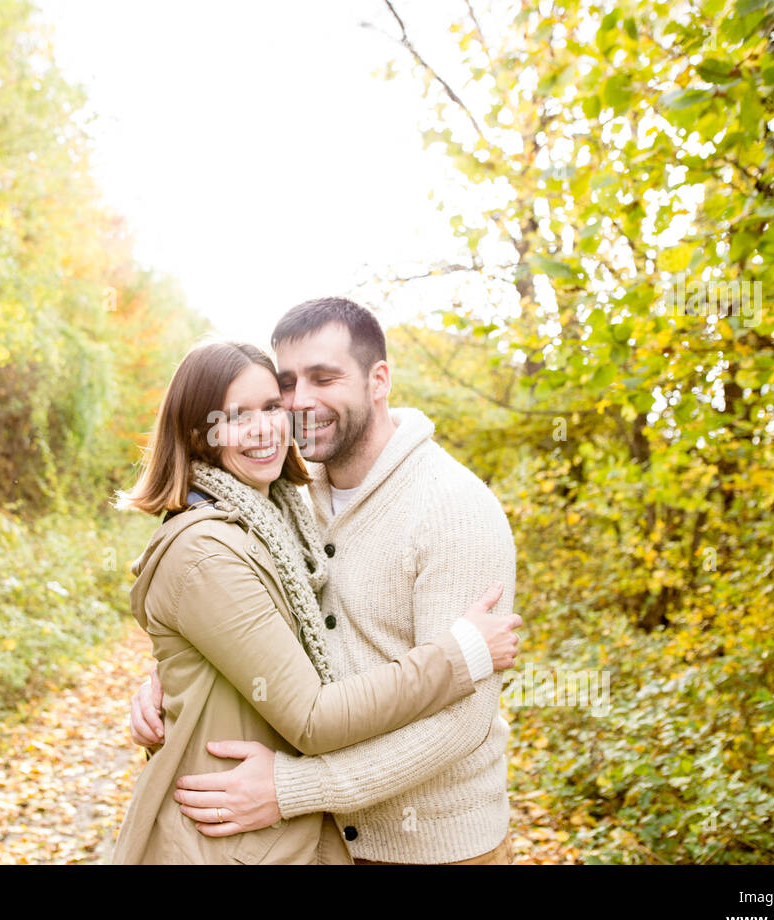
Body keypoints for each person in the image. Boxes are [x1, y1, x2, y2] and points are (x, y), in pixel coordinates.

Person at [130, 298, 519, 865]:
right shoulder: (286, 494)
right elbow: (245, 618)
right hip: (314, 842)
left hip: (434, 847)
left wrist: (293, 789)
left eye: (324, 377)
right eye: (286, 382)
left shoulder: (454, 508)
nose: (299, 402)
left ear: (378, 379)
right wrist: (177, 678)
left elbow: (462, 721)